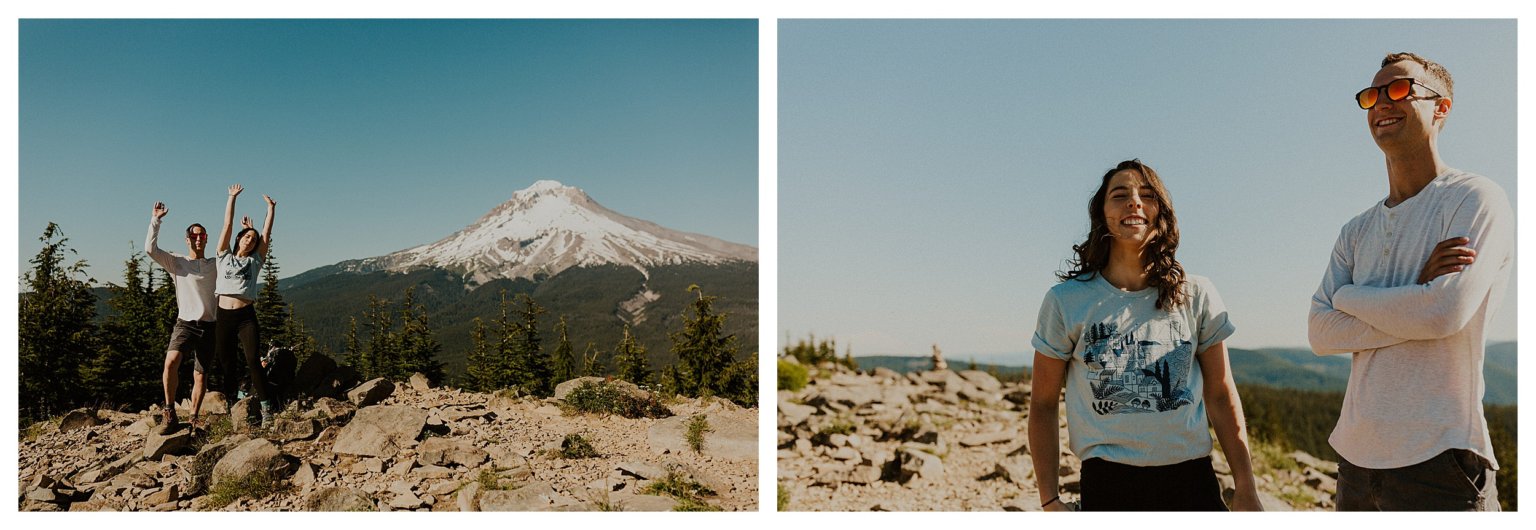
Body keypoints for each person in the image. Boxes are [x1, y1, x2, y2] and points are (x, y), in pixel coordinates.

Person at [1307, 52, 1512, 511]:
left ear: (1441, 108)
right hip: (1355, 465)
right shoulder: (1355, 230)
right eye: (1372, 95)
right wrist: (1415, 294)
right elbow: (1320, 334)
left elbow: (1443, 313)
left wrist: (1349, 296)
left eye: (1399, 89)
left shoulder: (1475, 198)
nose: (1381, 102)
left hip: (1441, 460)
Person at [1028, 159, 1261, 512]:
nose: (1134, 202)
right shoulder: (1066, 302)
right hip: (1108, 483)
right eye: (1119, 195)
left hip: (1192, 480)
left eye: (1147, 195)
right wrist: (1049, 499)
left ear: (1161, 211)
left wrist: (1246, 486)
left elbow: (1221, 392)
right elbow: (1043, 404)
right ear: (1102, 214)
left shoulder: (1196, 294)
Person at [146, 202, 217, 434]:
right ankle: (170, 412)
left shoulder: (215, 264)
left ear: (206, 239)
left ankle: (194, 418)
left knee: (201, 374)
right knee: (170, 363)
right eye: (194, 236)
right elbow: (150, 249)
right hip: (185, 323)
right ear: (187, 240)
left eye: (202, 235)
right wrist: (156, 220)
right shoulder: (176, 262)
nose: (198, 239)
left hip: (209, 325)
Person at [214, 183, 278, 426]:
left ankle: (266, 409)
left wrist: (270, 210)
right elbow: (227, 226)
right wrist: (231, 198)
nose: (250, 241)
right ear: (240, 239)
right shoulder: (223, 256)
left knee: (252, 360)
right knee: (227, 362)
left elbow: (266, 234)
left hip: (245, 317)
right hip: (223, 317)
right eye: (247, 237)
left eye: (253, 239)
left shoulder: (255, 262)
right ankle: (234, 403)